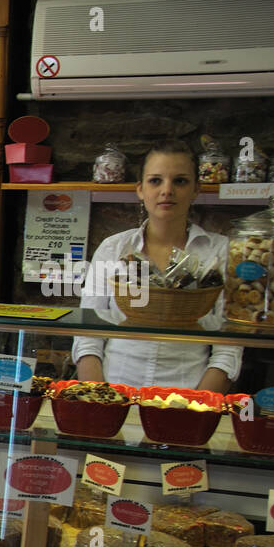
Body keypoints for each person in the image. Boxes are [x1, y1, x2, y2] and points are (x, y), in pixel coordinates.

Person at [72, 139, 241, 392]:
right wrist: (102, 398)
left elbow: (229, 346)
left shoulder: (220, 251)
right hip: (115, 389)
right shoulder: (113, 248)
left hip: (189, 393)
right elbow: (87, 337)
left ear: (196, 189)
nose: (167, 190)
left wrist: (196, 405)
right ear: (140, 189)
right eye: (155, 180)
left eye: (180, 181)